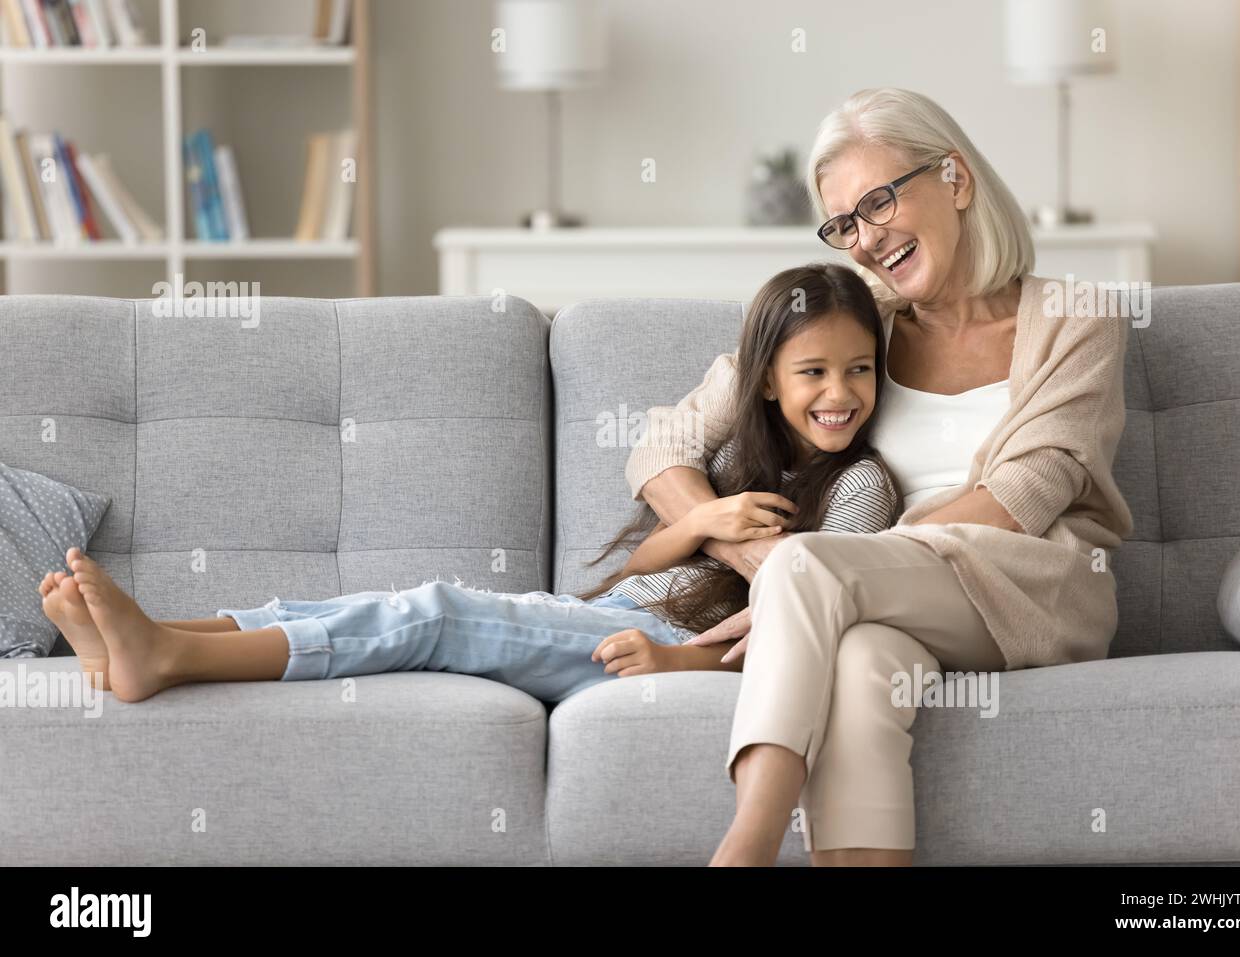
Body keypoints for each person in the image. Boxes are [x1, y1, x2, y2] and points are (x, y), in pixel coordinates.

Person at [625, 87, 1134, 866]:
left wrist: (822, 571)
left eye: (878, 202)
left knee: (814, 569)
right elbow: (661, 445)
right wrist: (741, 548)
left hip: (1025, 589)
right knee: (861, 666)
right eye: (845, 223)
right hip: (881, 603)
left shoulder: (1077, 318)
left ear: (955, 180)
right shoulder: (858, 324)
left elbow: (1022, 494)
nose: (864, 239)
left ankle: (745, 848)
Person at [39, 263, 900, 710]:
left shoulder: (858, 489)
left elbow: (805, 624)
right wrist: (707, 518)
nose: (840, 394)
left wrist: (674, 661)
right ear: (764, 382)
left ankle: (169, 656)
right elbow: (649, 553)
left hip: (637, 641)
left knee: (434, 613)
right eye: (815, 371)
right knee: (394, 607)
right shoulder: (746, 458)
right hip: (618, 611)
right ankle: (149, 638)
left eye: (859, 370)